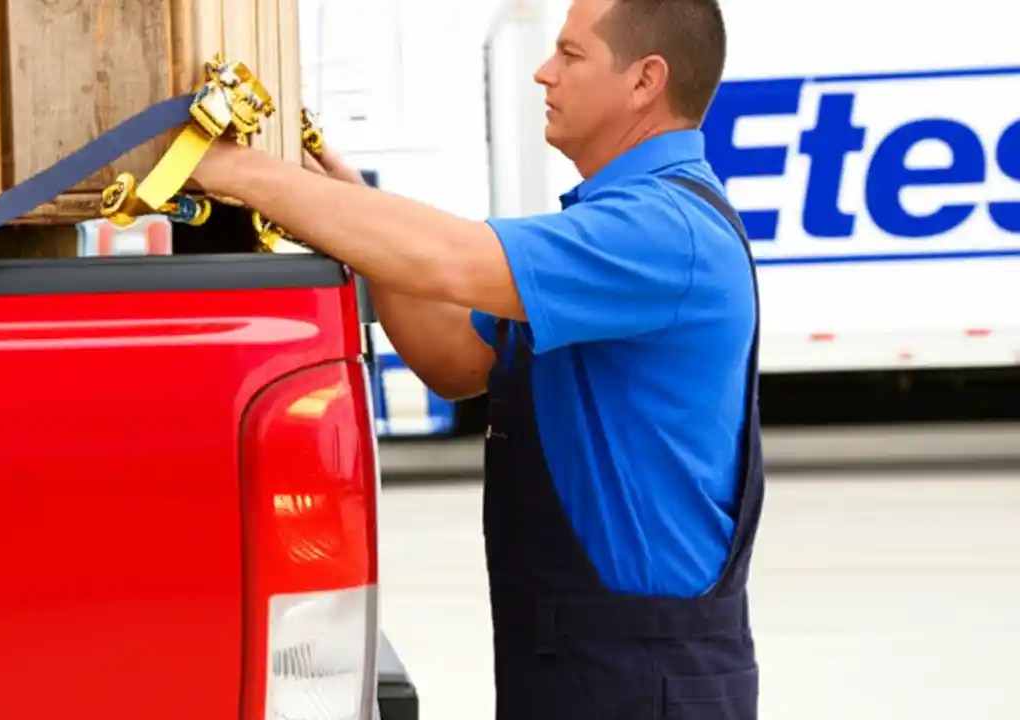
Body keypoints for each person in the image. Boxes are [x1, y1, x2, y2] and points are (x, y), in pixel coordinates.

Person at [190, 0, 764, 717]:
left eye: (572, 55)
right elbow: (453, 360)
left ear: (646, 80)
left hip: (639, 681)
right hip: (580, 664)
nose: (543, 72)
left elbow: (452, 259)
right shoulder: (610, 231)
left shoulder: (662, 232)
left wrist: (229, 169)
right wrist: (341, 204)